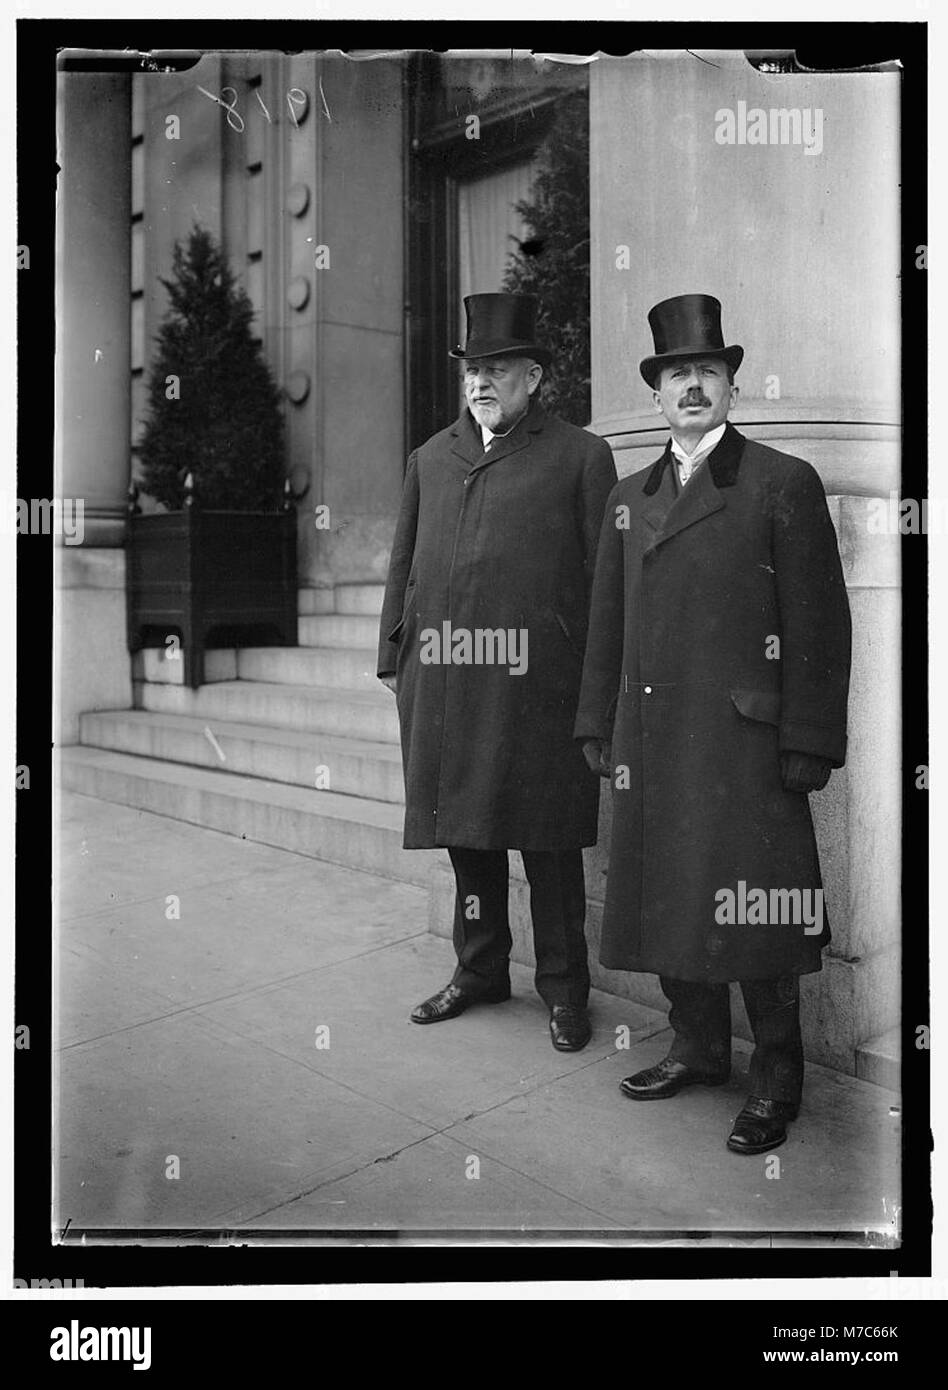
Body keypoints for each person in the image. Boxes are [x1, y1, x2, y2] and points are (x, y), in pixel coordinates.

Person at [575, 293, 851, 1152]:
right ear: (657, 395)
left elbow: (818, 626)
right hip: (652, 740)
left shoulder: (781, 482)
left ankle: (776, 1077)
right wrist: (595, 722)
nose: (691, 388)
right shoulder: (629, 495)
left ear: (732, 386)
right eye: (675, 375)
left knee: (759, 914)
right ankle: (696, 1049)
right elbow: (604, 621)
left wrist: (809, 739)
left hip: (745, 744)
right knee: (669, 900)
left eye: (707, 372)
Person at [378, 292, 617, 1051]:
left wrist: (594, 684)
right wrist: (394, 653)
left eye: (499, 369)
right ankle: (479, 971)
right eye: (474, 370)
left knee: (547, 845)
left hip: (542, 685)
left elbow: (604, 579)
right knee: (469, 840)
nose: (483, 382)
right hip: (447, 683)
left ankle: (564, 992)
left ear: (534, 376)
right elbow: (404, 560)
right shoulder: (430, 457)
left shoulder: (581, 455)